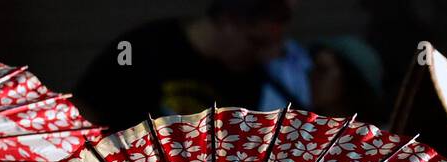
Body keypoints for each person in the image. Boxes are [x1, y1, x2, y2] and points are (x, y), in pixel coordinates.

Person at [74, 0, 297, 132]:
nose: (266, 55)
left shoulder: (247, 73)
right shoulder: (143, 48)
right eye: (256, 42)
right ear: (228, 22)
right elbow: (85, 111)